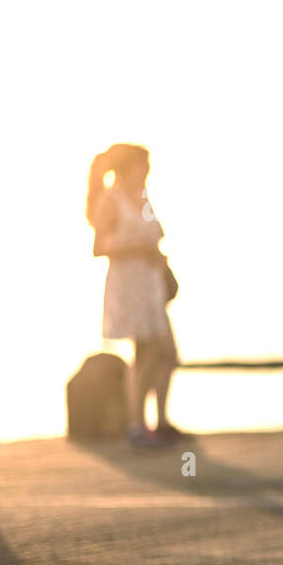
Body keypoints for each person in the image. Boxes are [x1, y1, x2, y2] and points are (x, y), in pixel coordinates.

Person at [86, 144, 192, 449]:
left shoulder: (142, 198)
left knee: (166, 352)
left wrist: (160, 264)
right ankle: (137, 426)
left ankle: (159, 421)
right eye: (142, 165)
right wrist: (139, 250)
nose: (147, 171)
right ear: (128, 167)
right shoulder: (111, 199)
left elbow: (153, 235)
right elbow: (99, 247)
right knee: (147, 351)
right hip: (128, 285)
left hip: (150, 284)